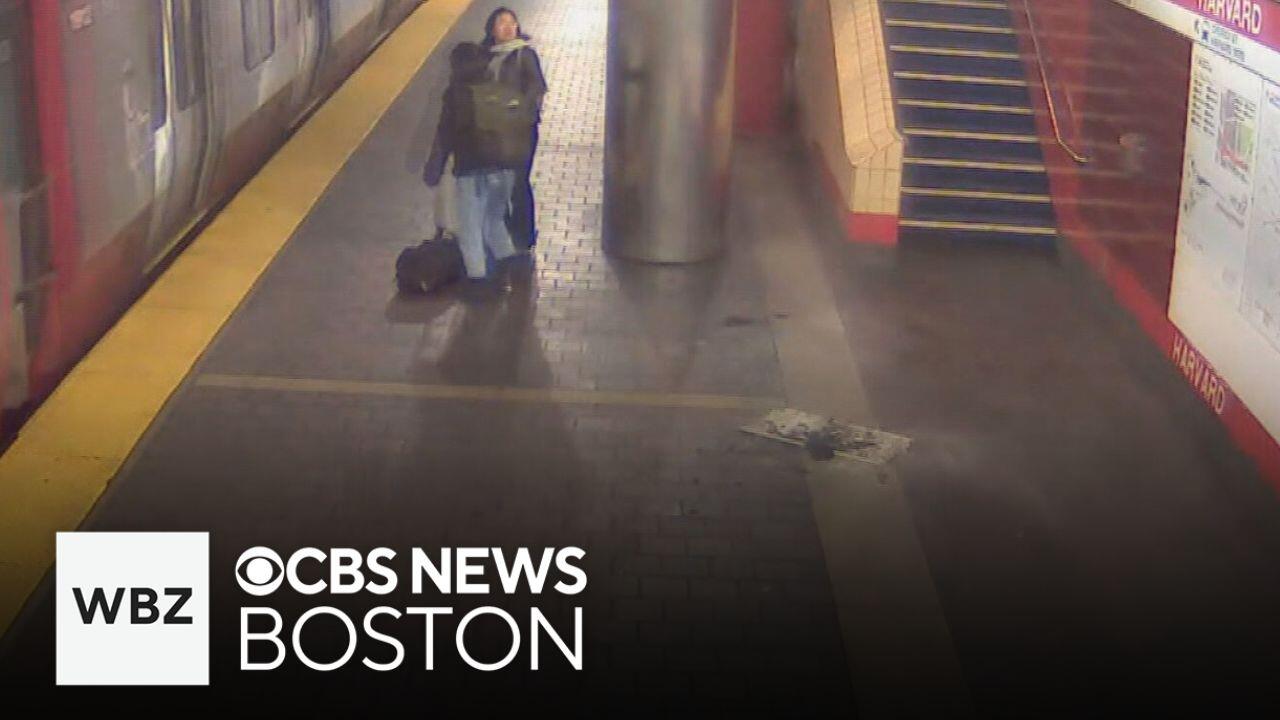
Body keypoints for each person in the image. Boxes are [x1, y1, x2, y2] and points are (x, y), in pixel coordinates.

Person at [424, 42, 520, 292]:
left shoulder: (455, 94)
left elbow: (445, 134)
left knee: (470, 228)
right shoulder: (496, 86)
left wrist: (434, 169)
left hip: (472, 170)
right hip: (504, 169)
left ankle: (478, 281)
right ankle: (509, 268)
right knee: (494, 221)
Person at [482, 7, 547, 250]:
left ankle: (524, 234)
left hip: (520, 132)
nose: (508, 27)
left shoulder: (525, 54)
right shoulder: (484, 56)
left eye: (512, 23)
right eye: (502, 23)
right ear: (491, 29)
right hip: (493, 131)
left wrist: (519, 112)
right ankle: (501, 230)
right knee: (496, 181)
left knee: (519, 181)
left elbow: (537, 88)